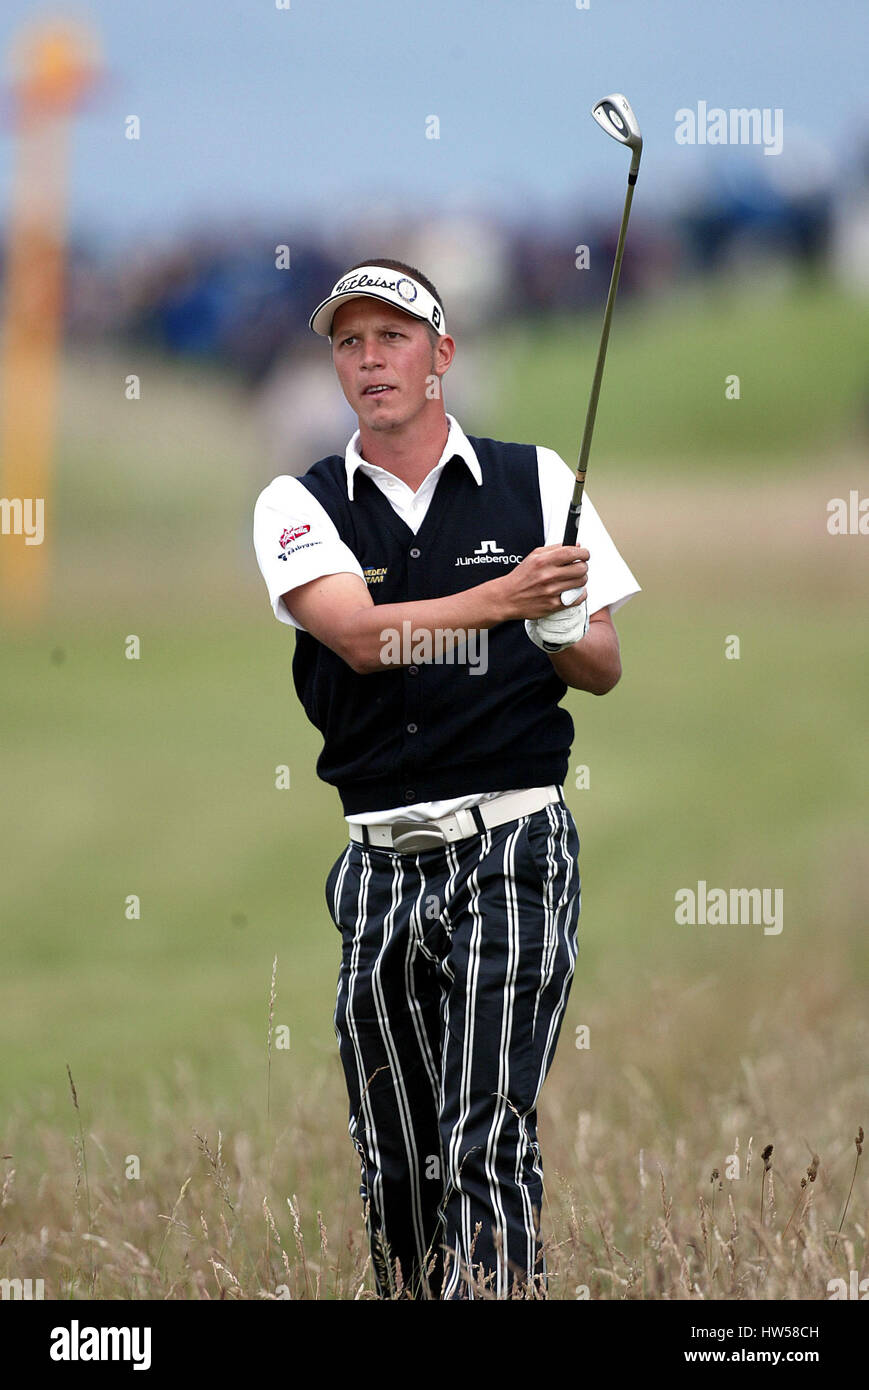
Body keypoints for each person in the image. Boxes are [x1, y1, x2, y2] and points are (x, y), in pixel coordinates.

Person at [253, 258, 640, 1300]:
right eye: (349, 342)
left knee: (482, 1136)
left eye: (393, 337)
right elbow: (361, 638)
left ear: (442, 356)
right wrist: (511, 597)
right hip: (378, 861)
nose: (370, 359)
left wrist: (558, 628)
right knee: (396, 1160)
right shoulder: (298, 501)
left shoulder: (537, 479)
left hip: (513, 842)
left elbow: (601, 664)